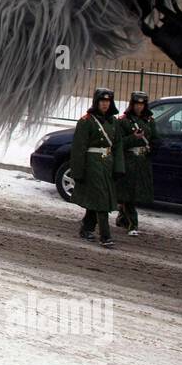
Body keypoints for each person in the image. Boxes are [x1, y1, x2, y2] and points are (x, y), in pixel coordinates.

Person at [69, 87, 124, 248]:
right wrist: (78, 171)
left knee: (99, 198)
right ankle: (105, 236)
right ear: (96, 102)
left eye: (108, 101)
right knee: (102, 200)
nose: (105, 104)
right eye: (102, 101)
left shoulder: (114, 122)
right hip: (92, 164)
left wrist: (118, 168)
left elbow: (118, 145)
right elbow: (78, 148)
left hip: (107, 164)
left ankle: (86, 228)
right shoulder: (87, 121)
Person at [115, 91, 156, 236]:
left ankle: (122, 216)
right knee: (129, 194)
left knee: (136, 194)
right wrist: (133, 137)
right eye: (137, 104)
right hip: (129, 160)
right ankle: (133, 224)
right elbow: (119, 143)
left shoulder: (150, 121)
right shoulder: (124, 121)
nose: (139, 107)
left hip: (142, 161)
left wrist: (153, 147)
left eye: (142, 104)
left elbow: (155, 138)